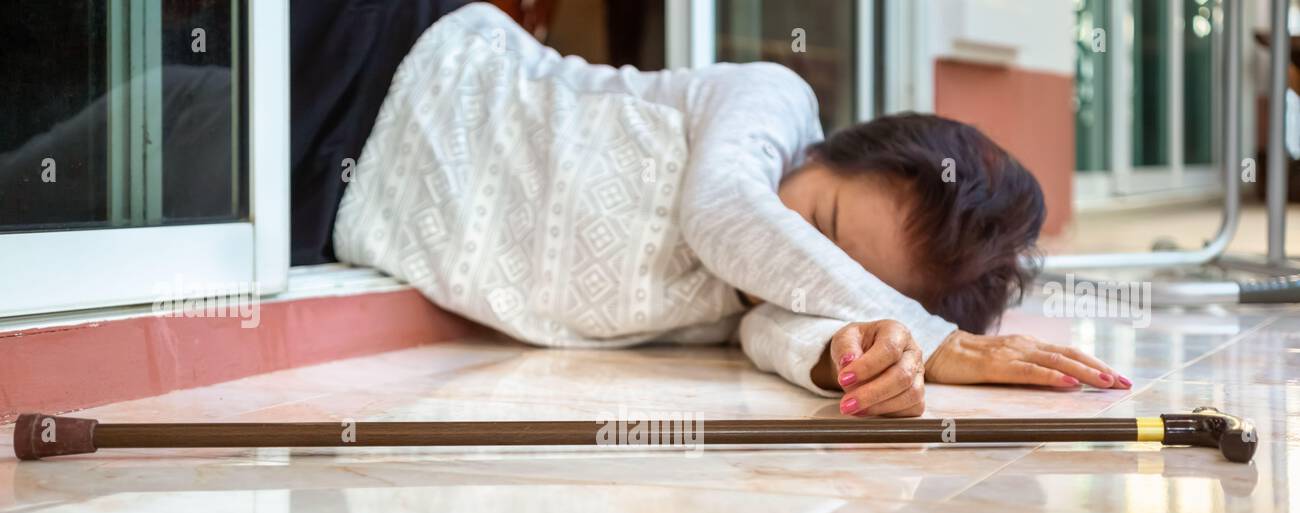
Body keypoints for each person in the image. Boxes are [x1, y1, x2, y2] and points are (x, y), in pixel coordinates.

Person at [335, 2, 1130, 418]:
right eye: (816, 233)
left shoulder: (762, 310)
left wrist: (873, 353)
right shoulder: (773, 108)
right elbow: (725, 215)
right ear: (826, 156)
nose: (805, 275)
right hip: (394, 62)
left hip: (340, 208)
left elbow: (794, 335)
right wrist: (935, 338)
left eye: (843, 285)